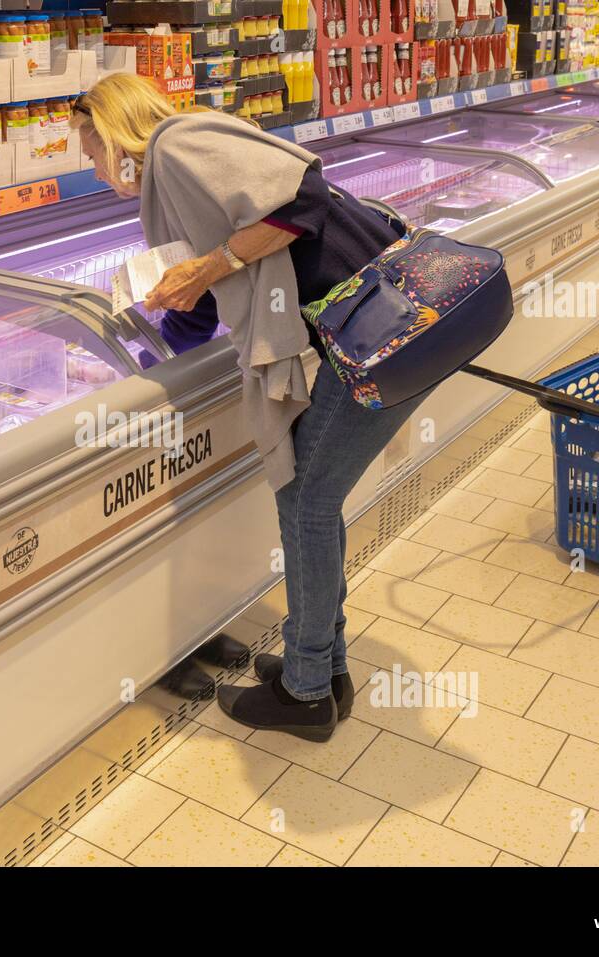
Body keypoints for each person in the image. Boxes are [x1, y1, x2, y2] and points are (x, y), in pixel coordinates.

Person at [73, 74, 428, 743]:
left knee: (307, 500)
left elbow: (305, 198)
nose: (94, 171)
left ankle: (307, 694)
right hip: (372, 329)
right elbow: (205, 299)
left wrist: (209, 267)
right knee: (306, 497)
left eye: (92, 153)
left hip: (382, 327)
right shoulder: (170, 186)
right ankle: (324, 667)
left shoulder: (177, 145)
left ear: (118, 136)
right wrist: (138, 369)